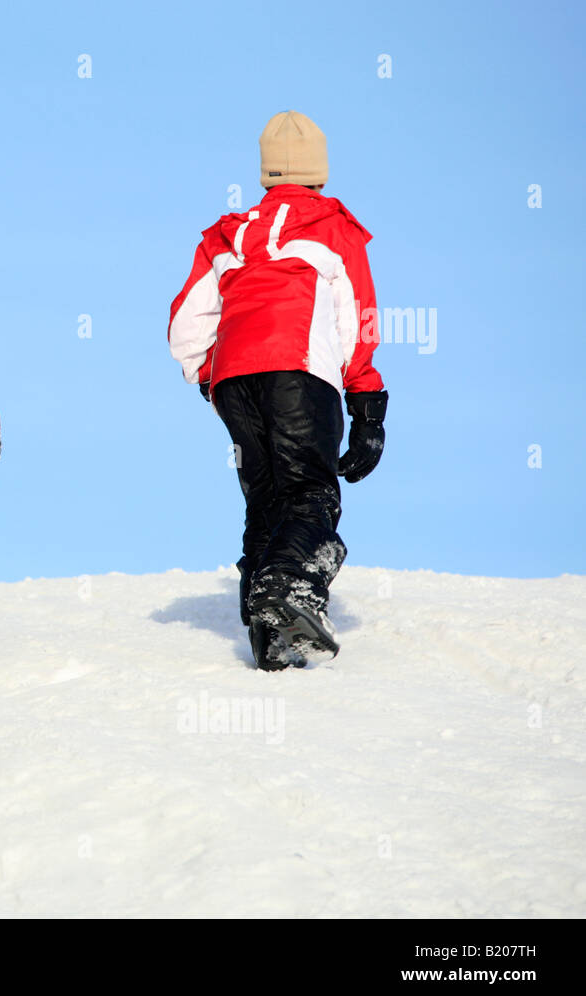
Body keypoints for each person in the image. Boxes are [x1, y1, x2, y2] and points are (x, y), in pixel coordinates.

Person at [167, 110, 388, 669]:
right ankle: (288, 588)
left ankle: (269, 638)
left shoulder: (227, 235)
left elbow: (186, 326)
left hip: (234, 379)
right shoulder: (333, 227)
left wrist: (208, 374)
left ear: (266, 174)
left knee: (266, 499)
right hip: (298, 370)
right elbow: (356, 317)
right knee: (311, 494)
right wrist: (366, 407)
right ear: (320, 174)